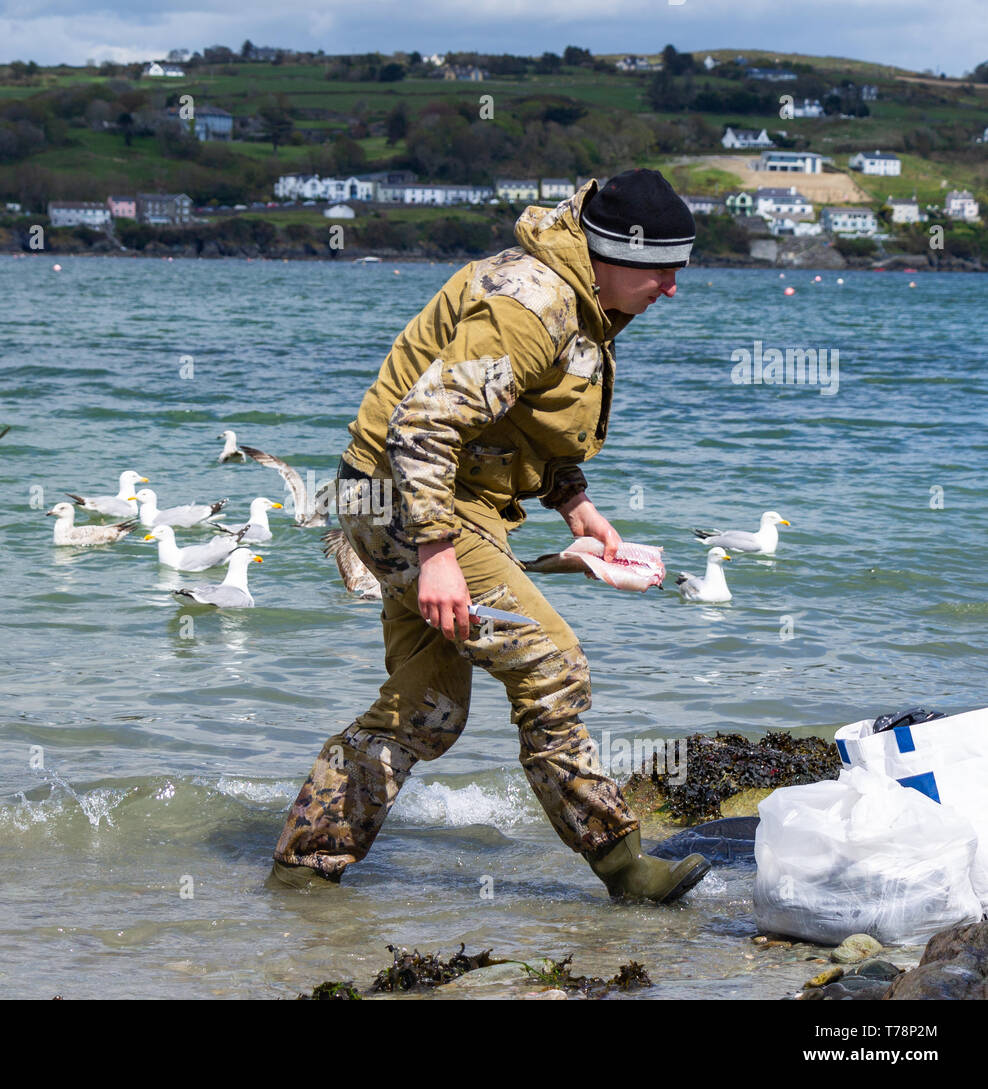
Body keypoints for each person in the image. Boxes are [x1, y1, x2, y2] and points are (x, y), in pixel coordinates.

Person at [270, 169, 710, 903]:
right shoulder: (532, 306)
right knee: (552, 665)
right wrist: (437, 554)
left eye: (679, 269)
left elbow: (527, 415)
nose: (671, 287)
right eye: (661, 269)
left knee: (427, 707)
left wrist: (574, 502)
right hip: (407, 500)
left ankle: (300, 873)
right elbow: (424, 423)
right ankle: (623, 866)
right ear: (610, 253)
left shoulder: (583, 297)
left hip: (419, 497)